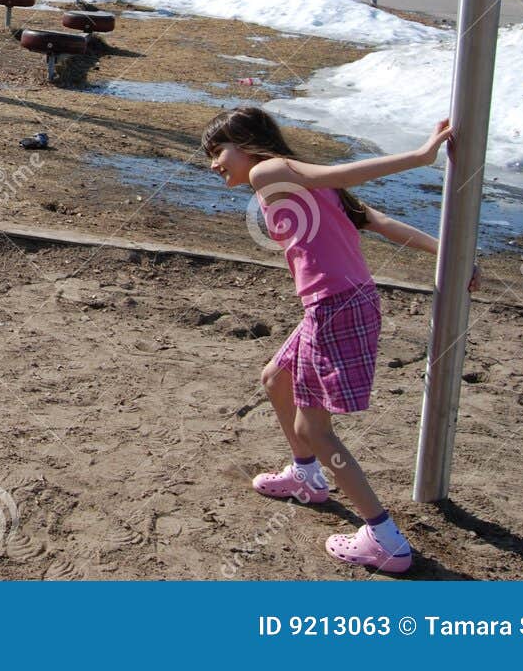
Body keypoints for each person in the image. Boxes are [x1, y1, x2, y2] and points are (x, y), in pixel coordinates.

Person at [201, 105, 480, 574]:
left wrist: (420, 156)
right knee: (275, 378)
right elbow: (384, 224)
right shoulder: (318, 190)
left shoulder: (269, 171)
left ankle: (384, 538)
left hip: (335, 308)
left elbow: (340, 170)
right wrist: (453, 255)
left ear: (249, 144)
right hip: (342, 303)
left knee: (316, 428)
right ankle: (307, 477)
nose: (213, 163)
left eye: (219, 150)